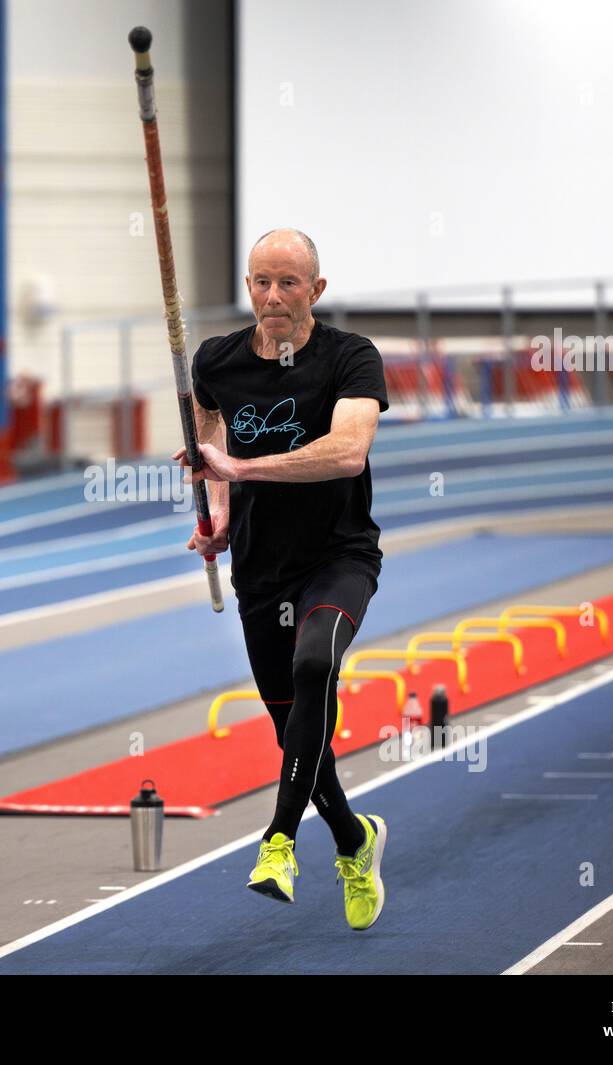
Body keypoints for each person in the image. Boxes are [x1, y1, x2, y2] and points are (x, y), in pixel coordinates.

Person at [173, 228, 389, 931]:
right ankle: (356, 842)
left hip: (339, 555)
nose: (273, 296)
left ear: (316, 291)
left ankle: (279, 842)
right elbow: (213, 436)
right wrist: (223, 513)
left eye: (288, 283)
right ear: (247, 286)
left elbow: (349, 451)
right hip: (260, 570)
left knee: (316, 661)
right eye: (261, 281)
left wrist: (243, 469)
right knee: (300, 734)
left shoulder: (350, 358)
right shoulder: (216, 362)